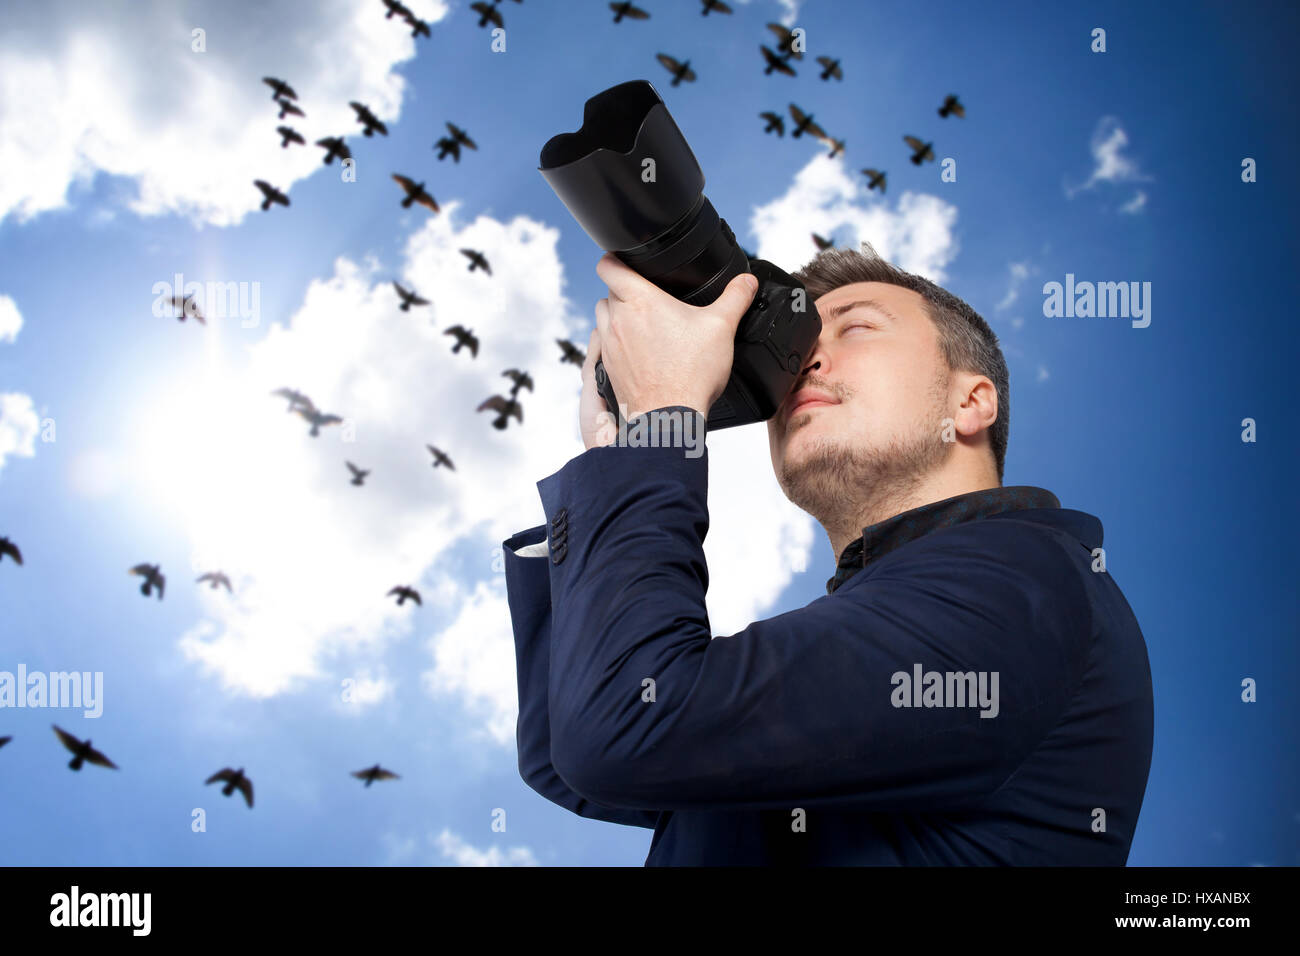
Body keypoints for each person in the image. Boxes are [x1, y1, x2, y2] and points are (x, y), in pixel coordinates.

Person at [504, 242, 1154, 865]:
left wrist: (664, 423)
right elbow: (564, 754)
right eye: (798, 347)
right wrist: (615, 450)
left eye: (857, 328)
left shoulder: (1026, 582)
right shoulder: (929, 614)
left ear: (970, 402)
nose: (807, 362)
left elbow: (626, 729)